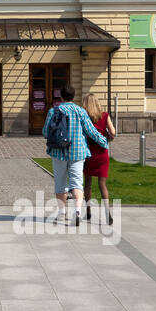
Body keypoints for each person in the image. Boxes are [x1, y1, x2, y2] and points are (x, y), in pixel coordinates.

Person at [43, 85, 106, 226]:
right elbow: (91, 130)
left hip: (58, 152)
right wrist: (103, 142)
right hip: (78, 152)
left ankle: (61, 214)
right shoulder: (80, 111)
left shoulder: (53, 111)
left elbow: (45, 132)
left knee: (60, 183)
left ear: (61, 96)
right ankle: (77, 212)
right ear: (74, 97)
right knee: (77, 182)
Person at [80, 94, 116, 226]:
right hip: (102, 154)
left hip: (88, 153)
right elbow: (113, 132)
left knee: (87, 184)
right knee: (102, 184)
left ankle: (88, 210)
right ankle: (108, 214)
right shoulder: (105, 115)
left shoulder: (84, 117)